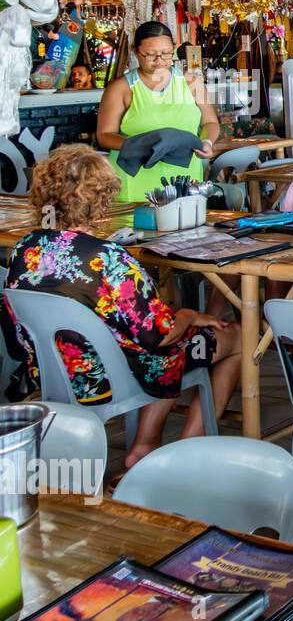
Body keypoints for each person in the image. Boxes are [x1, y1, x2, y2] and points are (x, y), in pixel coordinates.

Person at [1, 146, 241, 467]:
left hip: (48, 371)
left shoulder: (23, 249)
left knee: (148, 344)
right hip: (109, 379)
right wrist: (190, 315)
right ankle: (180, 455)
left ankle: (145, 446)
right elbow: (160, 335)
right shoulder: (109, 259)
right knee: (235, 337)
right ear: (101, 201)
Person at [96, 22, 221, 203]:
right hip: (136, 182)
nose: (160, 60)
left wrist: (207, 142)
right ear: (136, 52)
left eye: (166, 53)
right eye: (151, 55)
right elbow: (105, 135)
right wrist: (140, 145)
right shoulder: (121, 88)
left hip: (184, 177)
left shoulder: (192, 83)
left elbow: (210, 122)